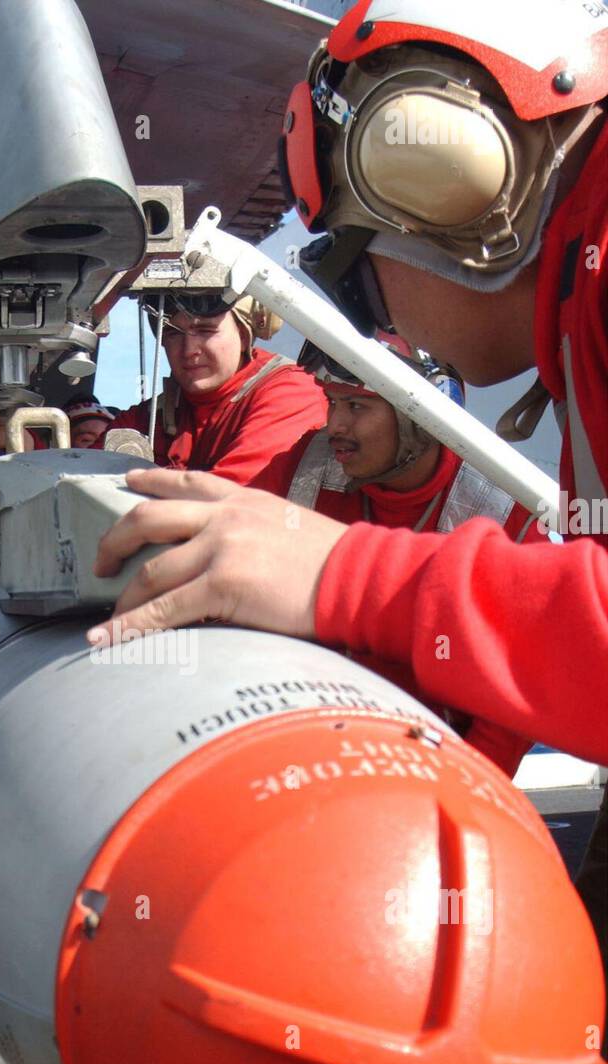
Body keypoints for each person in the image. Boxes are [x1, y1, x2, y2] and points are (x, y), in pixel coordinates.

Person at [88, 0, 608, 944]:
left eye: (360, 274)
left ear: (448, 195)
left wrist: (343, 576)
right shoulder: (584, 291)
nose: (372, 323)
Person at [257, 336, 543, 775]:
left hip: (436, 768)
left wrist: (464, 788)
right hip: (308, 752)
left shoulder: (507, 511)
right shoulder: (302, 465)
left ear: (421, 417)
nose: (335, 424)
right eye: (332, 402)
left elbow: (518, 693)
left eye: (357, 407)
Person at [98, 292, 327, 485]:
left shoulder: (290, 392)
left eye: (206, 331)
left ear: (244, 337)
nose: (189, 350)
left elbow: (226, 499)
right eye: (173, 333)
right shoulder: (150, 418)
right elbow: (81, 476)